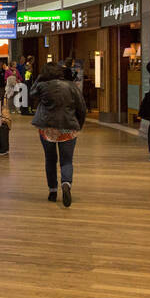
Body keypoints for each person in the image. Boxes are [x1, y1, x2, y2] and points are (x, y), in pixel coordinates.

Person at [30, 62, 88, 207]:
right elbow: (82, 107)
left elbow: (30, 93)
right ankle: (66, 184)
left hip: (47, 128)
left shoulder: (42, 86)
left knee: (50, 159)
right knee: (67, 160)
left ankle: (52, 190)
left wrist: (38, 78)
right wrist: (78, 124)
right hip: (68, 127)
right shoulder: (71, 86)